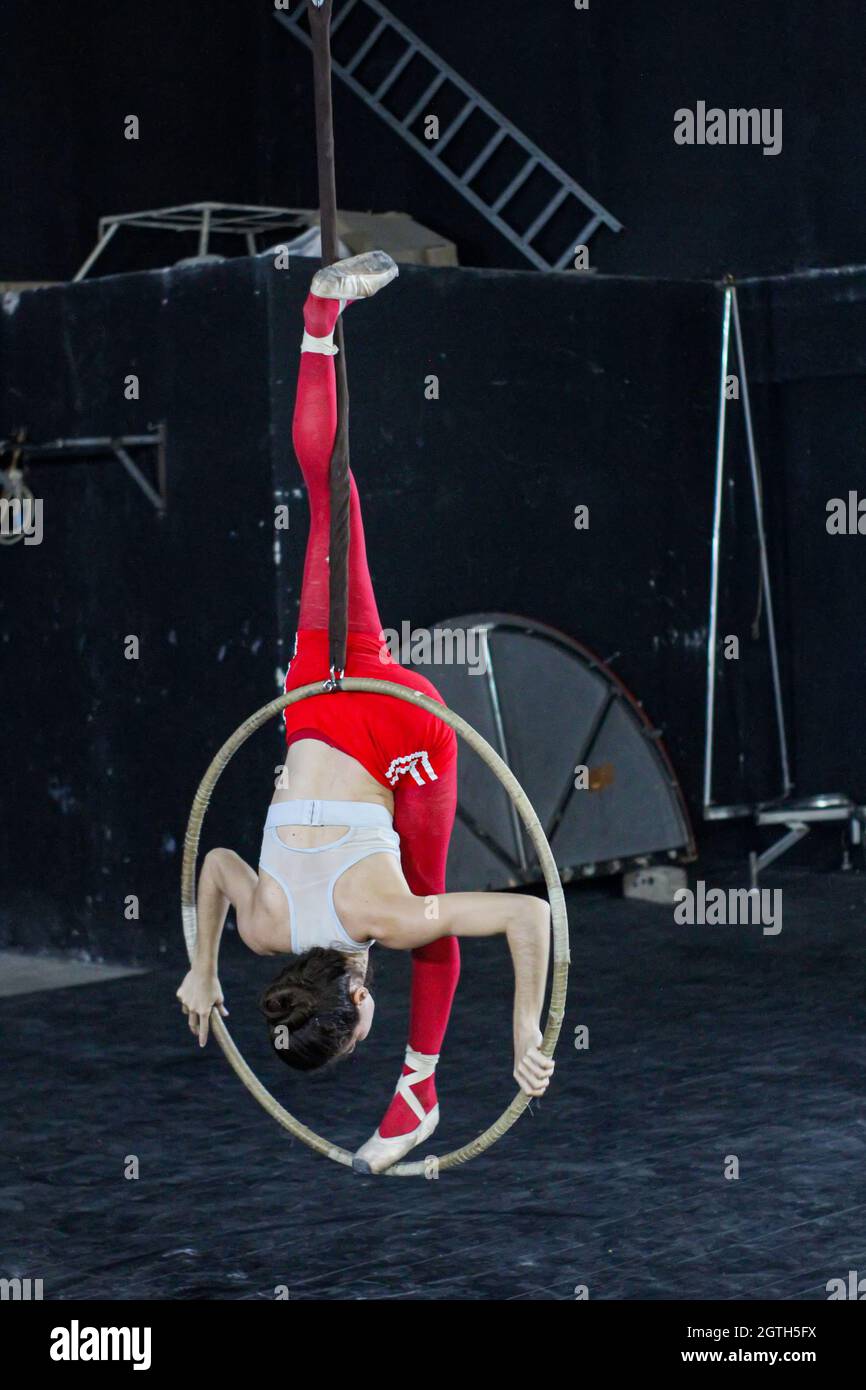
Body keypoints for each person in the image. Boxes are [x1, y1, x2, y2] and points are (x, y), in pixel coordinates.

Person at [177, 252, 554, 1173]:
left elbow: (533, 920)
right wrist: (198, 966)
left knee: (436, 925)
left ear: (356, 1001)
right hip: (323, 686)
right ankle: (315, 324)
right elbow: (217, 868)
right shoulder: (265, 926)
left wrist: (524, 1034)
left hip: (405, 731)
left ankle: (420, 1085)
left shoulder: (377, 916)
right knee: (329, 495)